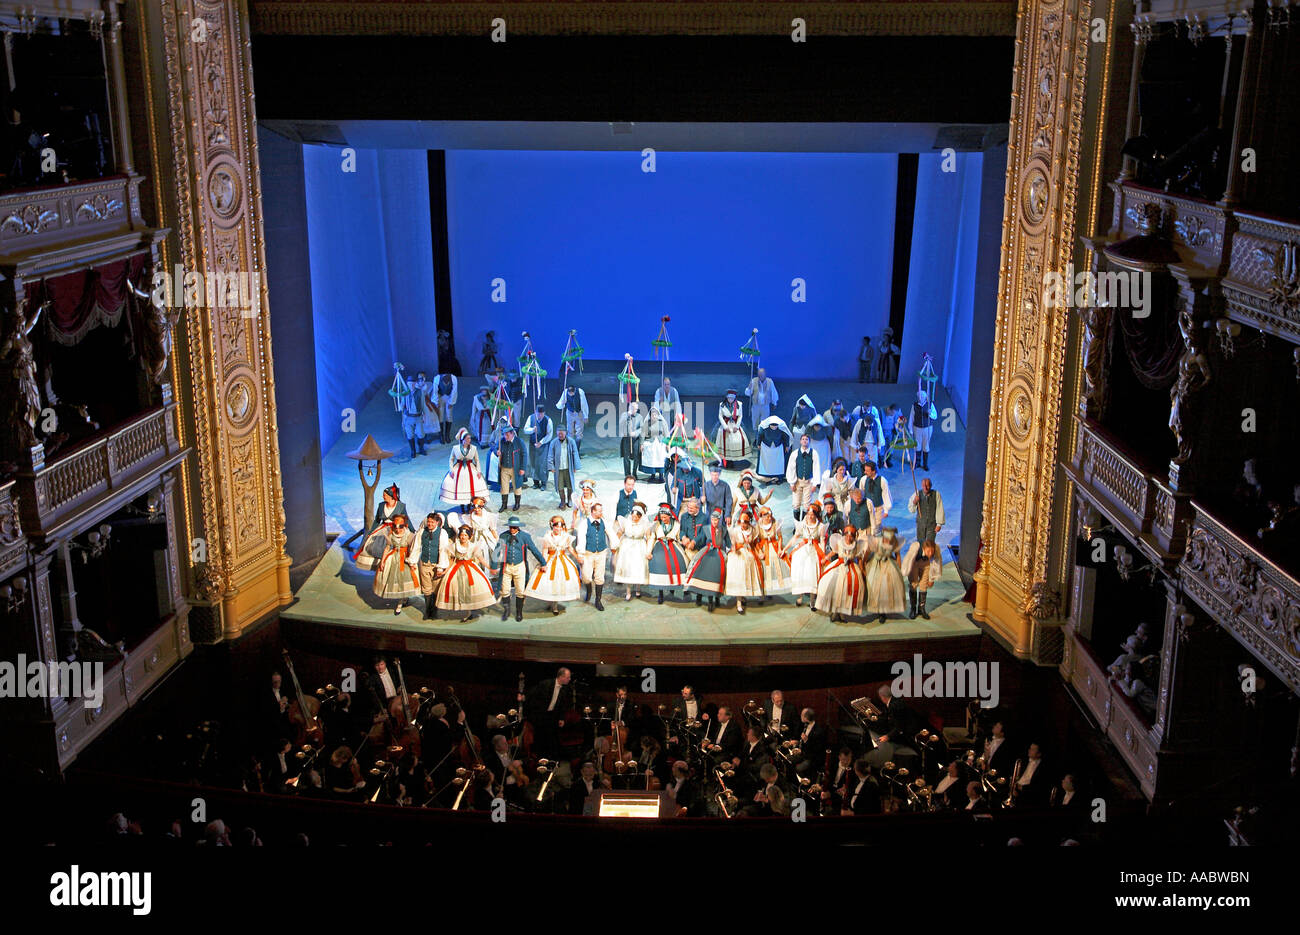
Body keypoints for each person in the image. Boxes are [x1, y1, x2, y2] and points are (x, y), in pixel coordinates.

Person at [436, 525, 496, 622]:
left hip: (470, 568)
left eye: (465, 535)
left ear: (469, 537)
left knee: (471, 588)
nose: (463, 537)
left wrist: (490, 568)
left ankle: (468, 611)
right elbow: (451, 560)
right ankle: (463, 610)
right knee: (456, 588)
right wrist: (445, 571)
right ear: (459, 536)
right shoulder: (454, 546)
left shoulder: (473, 546)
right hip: (456, 568)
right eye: (461, 535)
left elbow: (481, 559)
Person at [525, 515, 582, 615]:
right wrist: (543, 563)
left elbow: (570, 548)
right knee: (549, 580)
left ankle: (555, 603)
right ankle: (551, 602)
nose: (558, 528)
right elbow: (545, 550)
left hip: (562, 560)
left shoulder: (566, 536)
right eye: (556, 526)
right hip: (551, 560)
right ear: (552, 526)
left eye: (560, 526)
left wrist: (577, 557)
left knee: (561, 580)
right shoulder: (547, 537)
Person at [493, 517, 545, 622]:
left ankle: (519, 612)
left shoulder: (525, 536)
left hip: (520, 567)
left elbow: (534, 550)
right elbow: (496, 552)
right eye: (510, 527)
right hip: (506, 567)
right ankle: (506, 611)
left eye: (514, 527)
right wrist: (493, 566)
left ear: (518, 527)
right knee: (505, 590)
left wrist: (543, 562)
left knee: (520, 591)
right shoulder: (503, 536)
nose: (512, 529)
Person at [814, 522, 868, 622]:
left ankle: (842, 613)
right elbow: (834, 552)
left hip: (851, 568)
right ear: (844, 534)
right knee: (835, 588)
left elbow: (859, 559)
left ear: (854, 536)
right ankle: (835, 612)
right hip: (839, 566)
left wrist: (862, 570)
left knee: (846, 591)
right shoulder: (839, 542)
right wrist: (825, 558)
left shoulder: (856, 545)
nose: (849, 537)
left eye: (851, 535)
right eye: (847, 535)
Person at [353, 484, 409, 570]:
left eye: (385, 495)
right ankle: (378, 565)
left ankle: (392, 564)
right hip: (383, 528)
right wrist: (371, 531)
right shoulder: (381, 505)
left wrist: (411, 530)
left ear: (391, 496)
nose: (383, 497)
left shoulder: (400, 505)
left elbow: (406, 519)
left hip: (396, 528)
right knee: (375, 544)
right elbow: (377, 520)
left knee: (394, 545)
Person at [686, 508, 730, 613]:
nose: (715, 522)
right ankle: (699, 595)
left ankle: (716, 597)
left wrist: (732, 548)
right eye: (713, 520)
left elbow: (728, 542)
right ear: (711, 519)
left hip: (718, 553)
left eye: (717, 520)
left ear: (720, 520)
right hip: (708, 552)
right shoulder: (706, 529)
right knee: (701, 570)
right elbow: (700, 538)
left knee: (718, 574)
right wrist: (693, 543)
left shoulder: (723, 530)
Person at [575, 500, 617, 611]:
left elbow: (611, 534)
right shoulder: (585, 523)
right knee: (586, 577)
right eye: (599, 511)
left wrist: (614, 545)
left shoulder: (604, 522)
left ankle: (598, 600)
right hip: (588, 553)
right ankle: (589, 591)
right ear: (593, 511)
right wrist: (580, 553)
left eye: (601, 510)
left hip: (601, 553)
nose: (601, 513)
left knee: (599, 577)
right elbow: (581, 538)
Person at [783, 501, 825, 607]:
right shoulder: (803, 524)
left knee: (812, 571)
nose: (810, 516)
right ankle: (800, 596)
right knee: (799, 568)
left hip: (814, 549)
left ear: (816, 515)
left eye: (812, 515)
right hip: (804, 548)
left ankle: (812, 600)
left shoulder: (821, 526)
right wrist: (785, 548)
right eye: (808, 514)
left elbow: (822, 541)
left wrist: (823, 556)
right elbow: (795, 537)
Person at [724, 508, 765, 614]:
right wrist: (734, 547)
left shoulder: (752, 530)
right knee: (738, 568)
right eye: (741, 522)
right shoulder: (736, 530)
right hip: (738, 552)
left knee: (755, 565)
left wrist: (759, 551)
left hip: (749, 552)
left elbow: (755, 543)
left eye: (745, 522)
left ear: (748, 522)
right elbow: (732, 542)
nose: (743, 524)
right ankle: (739, 602)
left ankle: (752, 594)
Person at [525, 668, 573, 759]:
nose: (569, 679)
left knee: (551, 739)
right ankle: (539, 759)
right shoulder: (545, 684)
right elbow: (533, 698)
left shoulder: (565, 688)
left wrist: (561, 718)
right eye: (568, 677)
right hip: (539, 715)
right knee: (540, 738)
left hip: (552, 716)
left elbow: (563, 705)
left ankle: (550, 759)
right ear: (561, 677)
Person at [648, 502, 689, 604]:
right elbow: (652, 538)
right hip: (659, 546)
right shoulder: (656, 525)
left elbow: (679, 538)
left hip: (673, 545)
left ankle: (673, 587)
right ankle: (660, 593)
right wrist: (649, 551)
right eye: (661, 517)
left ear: (669, 516)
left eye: (665, 517)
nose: (663, 519)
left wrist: (683, 542)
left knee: (679, 563)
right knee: (660, 566)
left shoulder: (677, 525)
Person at [864, 528, 907, 622]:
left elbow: (898, 555)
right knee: (875, 585)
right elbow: (867, 552)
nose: (887, 541)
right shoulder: (876, 541)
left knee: (887, 586)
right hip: (876, 563)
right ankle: (878, 609)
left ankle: (884, 609)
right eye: (886, 539)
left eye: (889, 540)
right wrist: (864, 563)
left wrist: (899, 569)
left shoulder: (894, 542)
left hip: (888, 563)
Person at [414, 512, 450, 620]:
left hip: (436, 564)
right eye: (428, 522)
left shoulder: (442, 533)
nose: (430, 524)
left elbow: (443, 550)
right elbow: (416, 547)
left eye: (432, 522)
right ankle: (427, 611)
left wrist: (440, 567)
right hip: (424, 563)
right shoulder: (422, 532)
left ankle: (434, 611)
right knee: (426, 588)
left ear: (437, 522)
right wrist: (413, 561)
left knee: (435, 588)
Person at [613, 502, 652, 600]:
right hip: (627, 546)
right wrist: (615, 543)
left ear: (640, 516)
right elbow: (619, 532)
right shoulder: (626, 522)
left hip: (639, 546)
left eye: (636, 517)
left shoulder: (645, 524)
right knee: (628, 568)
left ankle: (638, 589)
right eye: (633, 516)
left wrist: (649, 550)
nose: (634, 518)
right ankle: (628, 591)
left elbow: (648, 537)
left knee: (638, 567)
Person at [439, 428, 488, 506]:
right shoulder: (456, 448)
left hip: (470, 467)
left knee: (473, 484)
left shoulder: (473, 448)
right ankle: (461, 504)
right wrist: (451, 470)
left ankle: (469, 503)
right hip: (459, 467)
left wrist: (479, 471)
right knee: (459, 485)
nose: (469, 440)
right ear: (463, 439)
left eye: (470, 438)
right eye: (468, 438)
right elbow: (451, 459)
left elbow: (477, 460)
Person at [753, 505, 790, 597]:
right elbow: (755, 541)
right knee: (763, 566)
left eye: (770, 516)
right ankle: (763, 592)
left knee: (778, 561)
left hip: (774, 546)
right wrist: (759, 551)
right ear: (762, 516)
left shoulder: (775, 524)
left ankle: (773, 589)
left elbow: (780, 537)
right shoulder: (758, 525)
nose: (769, 518)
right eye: (767, 517)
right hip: (763, 548)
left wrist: (779, 549)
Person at [901, 538, 942, 620]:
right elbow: (908, 559)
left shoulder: (936, 548)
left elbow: (937, 562)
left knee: (924, 585)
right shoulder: (916, 546)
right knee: (913, 584)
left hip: (926, 564)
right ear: (924, 548)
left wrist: (932, 579)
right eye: (928, 551)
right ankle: (913, 608)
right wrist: (906, 571)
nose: (930, 553)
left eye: (932, 551)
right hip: (914, 563)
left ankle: (921, 608)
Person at [785, 432, 820, 521]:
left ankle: (804, 524)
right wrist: (792, 483)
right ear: (800, 441)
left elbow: (816, 468)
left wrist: (815, 484)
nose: (805, 441)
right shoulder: (795, 453)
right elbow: (791, 468)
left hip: (808, 482)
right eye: (803, 439)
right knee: (796, 503)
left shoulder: (814, 453)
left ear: (809, 441)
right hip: (798, 481)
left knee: (807, 504)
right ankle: (797, 524)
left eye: (806, 439)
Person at [393, 370, 429, 459]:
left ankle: (421, 449)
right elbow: (402, 404)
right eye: (409, 384)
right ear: (407, 384)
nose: (411, 385)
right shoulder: (405, 393)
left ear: (415, 383)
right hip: (408, 417)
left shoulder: (420, 392)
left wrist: (425, 415)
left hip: (418, 416)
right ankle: (413, 450)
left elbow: (423, 404)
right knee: (410, 434)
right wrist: (400, 406)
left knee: (421, 434)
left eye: (413, 383)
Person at [545, 425, 581, 508]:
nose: (560, 435)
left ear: (565, 433)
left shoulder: (571, 441)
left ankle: (570, 499)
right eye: (558, 434)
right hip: (559, 468)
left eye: (562, 433)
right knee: (559, 485)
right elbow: (550, 455)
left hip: (568, 467)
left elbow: (575, 453)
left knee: (570, 484)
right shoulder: (553, 442)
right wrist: (551, 467)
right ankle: (562, 501)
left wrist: (575, 466)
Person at [522, 403, 554, 490]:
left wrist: (541, 442)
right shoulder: (531, 418)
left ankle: (543, 483)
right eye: (538, 413)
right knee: (533, 463)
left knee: (542, 464)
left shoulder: (548, 420)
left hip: (543, 445)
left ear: (544, 413)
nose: (539, 415)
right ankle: (535, 482)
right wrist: (532, 430)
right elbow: (525, 430)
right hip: (533, 444)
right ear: (535, 412)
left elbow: (549, 434)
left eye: (541, 414)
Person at [495, 425, 527, 512]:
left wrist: (523, 468)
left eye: (507, 435)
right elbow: (495, 449)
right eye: (504, 434)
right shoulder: (502, 441)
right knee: (504, 487)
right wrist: (497, 452)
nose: (505, 437)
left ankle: (517, 504)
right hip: (504, 468)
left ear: (512, 434)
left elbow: (524, 454)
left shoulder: (519, 442)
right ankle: (504, 504)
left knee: (517, 487)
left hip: (515, 469)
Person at [714, 389, 749, 466]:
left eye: (732, 398)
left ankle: (732, 458)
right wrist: (725, 426)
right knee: (723, 441)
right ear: (727, 397)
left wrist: (737, 426)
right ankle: (724, 459)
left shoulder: (739, 404)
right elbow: (720, 416)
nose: (730, 400)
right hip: (725, 423)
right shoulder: (722, 404)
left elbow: (740, 416)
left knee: (736, 441)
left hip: (735, 424)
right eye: (729, 398)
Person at [908, 477, 945, 545]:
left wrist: (939, 524)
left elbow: (939, 509)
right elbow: (911, 510)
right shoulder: (917, 494)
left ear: (931, 485)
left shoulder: (936, 494)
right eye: (923, 486)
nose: (925, 488)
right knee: (920, 543)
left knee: (930, 544)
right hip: (921, 524)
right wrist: (914, 502)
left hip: (932, 524)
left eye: (927, 486)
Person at [858, 460, 892, 535]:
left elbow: (886, 495)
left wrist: (886, 510)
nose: (865, 472)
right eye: (865, 470)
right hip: (867, 508)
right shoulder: (863, 479)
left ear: (873, 471)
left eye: (867, 471)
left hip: (878, 509)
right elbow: (861, 494)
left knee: (876, 529)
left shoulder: (882, 480)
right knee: (867, 529)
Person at [755, 415, 791, 484]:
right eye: (772, 426)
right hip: (766, 448)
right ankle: (767, 476)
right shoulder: (764, 428)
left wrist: (787, 445)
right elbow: (759, 436)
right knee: (767, 462)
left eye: (775, 426)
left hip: (778, 448)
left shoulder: (781, 428)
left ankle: (778, 476)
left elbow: (786, 437)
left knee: (777, 462)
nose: (774, 427)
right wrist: (758, 444)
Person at [909, 389, 937, 471]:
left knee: (926, 446)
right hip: (917, 428)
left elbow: (935, 416)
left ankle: (925, 464)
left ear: (925, 397)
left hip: (927, 428)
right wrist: (910, 430)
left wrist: (930, 414)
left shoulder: (930, 405)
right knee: (917, 445)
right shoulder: (914, 406)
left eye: (922, 397)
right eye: (919, 397)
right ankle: (917, 462)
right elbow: (911, 417)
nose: (920, 398)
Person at [556, 384, 590, 450]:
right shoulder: (565, 392)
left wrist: (586, 416)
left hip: (579, 413)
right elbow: (560, 404)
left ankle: (577, 450)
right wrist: (562, 404)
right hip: (570, 413)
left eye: (572, 393)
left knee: (579, 432)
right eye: (569, 393)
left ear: (574, 391)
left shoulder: (580, 392)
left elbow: (584, 404)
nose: (571, 394)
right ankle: (570, 449)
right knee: (570, 432)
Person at [641, 406, 670, 482]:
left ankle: (661, 476)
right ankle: (652, 475)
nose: (654, 416)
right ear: (650, 415)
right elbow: (643, 434)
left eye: (655, 414)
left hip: (660, 443)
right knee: (652, 459)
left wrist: (668, 444)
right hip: (651, 442)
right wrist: (641, 444)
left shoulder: (662, 422)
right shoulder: (647, 423)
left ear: (658, 415)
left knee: (660, 458)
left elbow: (666, 434)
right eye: (652, 415)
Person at [430, 371, 459, 444]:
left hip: (449, 396)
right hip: (440, 396)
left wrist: (451, 402)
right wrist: (436, 402)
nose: (446, 383)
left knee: (449, 415)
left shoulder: (454, 378)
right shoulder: (437, 378)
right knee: (440, 416)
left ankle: (447, 435)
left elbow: (454, 391)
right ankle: (441, 436)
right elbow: (435, 391)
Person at [619, 403, 644, 478]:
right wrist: (628, 416)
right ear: (629, 408)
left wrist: (635, 433)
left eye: (636, 409)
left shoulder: (639, 417)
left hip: (635, 439)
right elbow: (621, 424)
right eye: (633, 408)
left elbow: (642, 429)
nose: (634, 410)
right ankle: (627, 474)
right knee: (626, 457)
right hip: (626, 439)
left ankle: (634, 472)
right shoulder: (624, 415)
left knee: (636, 457)